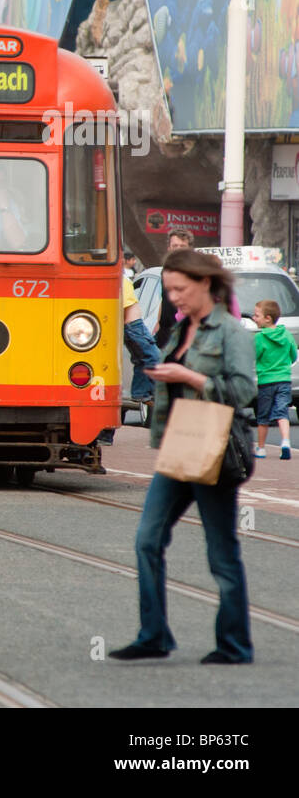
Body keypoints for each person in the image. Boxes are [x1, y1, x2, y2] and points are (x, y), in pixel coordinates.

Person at [110, 250, 255, 664]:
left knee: (220, 550)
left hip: (213, 447)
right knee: (147, 540)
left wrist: (189, 376)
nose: (173, 297)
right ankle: (153, 635)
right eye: (169, 289)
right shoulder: (180, 330)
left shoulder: (230, 332)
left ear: (205, 284)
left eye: (180, 289)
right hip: (179, 445)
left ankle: (234, 644)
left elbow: (244, 391)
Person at [252, 299, 296, 460]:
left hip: (266, 381)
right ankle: (285, 442)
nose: (253, 318)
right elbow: (293, 356)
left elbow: (255, 356)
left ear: (267, 318)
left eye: (257, 315)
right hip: (284, 380)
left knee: (263, 416)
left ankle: (261, 448)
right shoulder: (286, 335)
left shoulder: (260, 338)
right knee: (282, 412)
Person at [123, 275, 160, 404]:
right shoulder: (118, 279)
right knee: (154, 357)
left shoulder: (121, 278)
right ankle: (144, 393)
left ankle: (140, 393)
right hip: (133, 326)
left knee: (142, 359)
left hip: (132, 326)